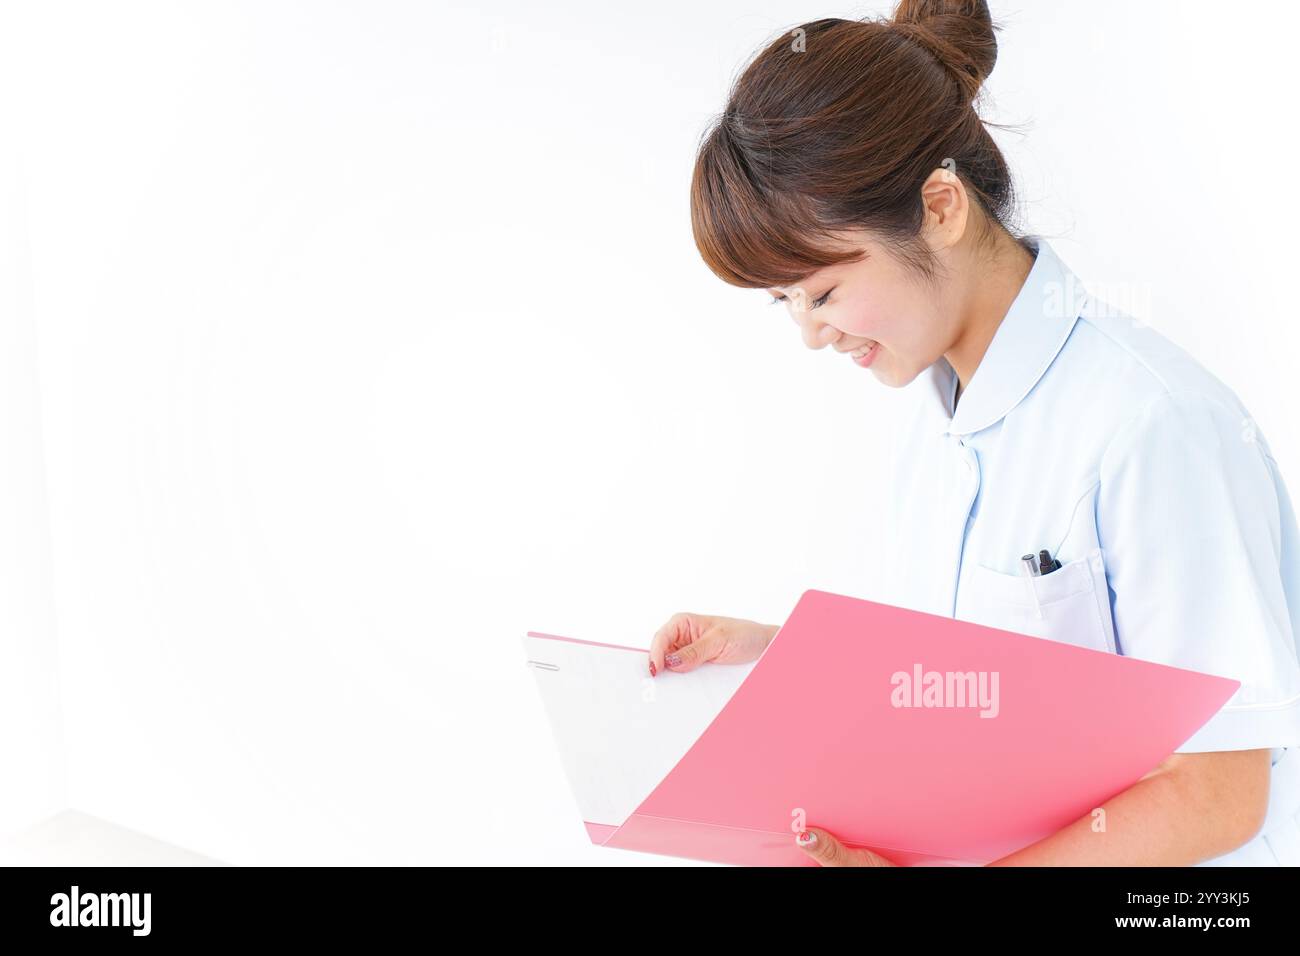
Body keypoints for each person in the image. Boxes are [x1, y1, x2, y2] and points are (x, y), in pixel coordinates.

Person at [648, 0, 1300, 866]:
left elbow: (1220, 791)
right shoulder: (937, 422)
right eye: (786, 302)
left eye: (826, 291)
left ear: (942, 206)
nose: (810, 333)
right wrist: (773, 658)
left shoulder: (1153, 424)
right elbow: (970, 689)